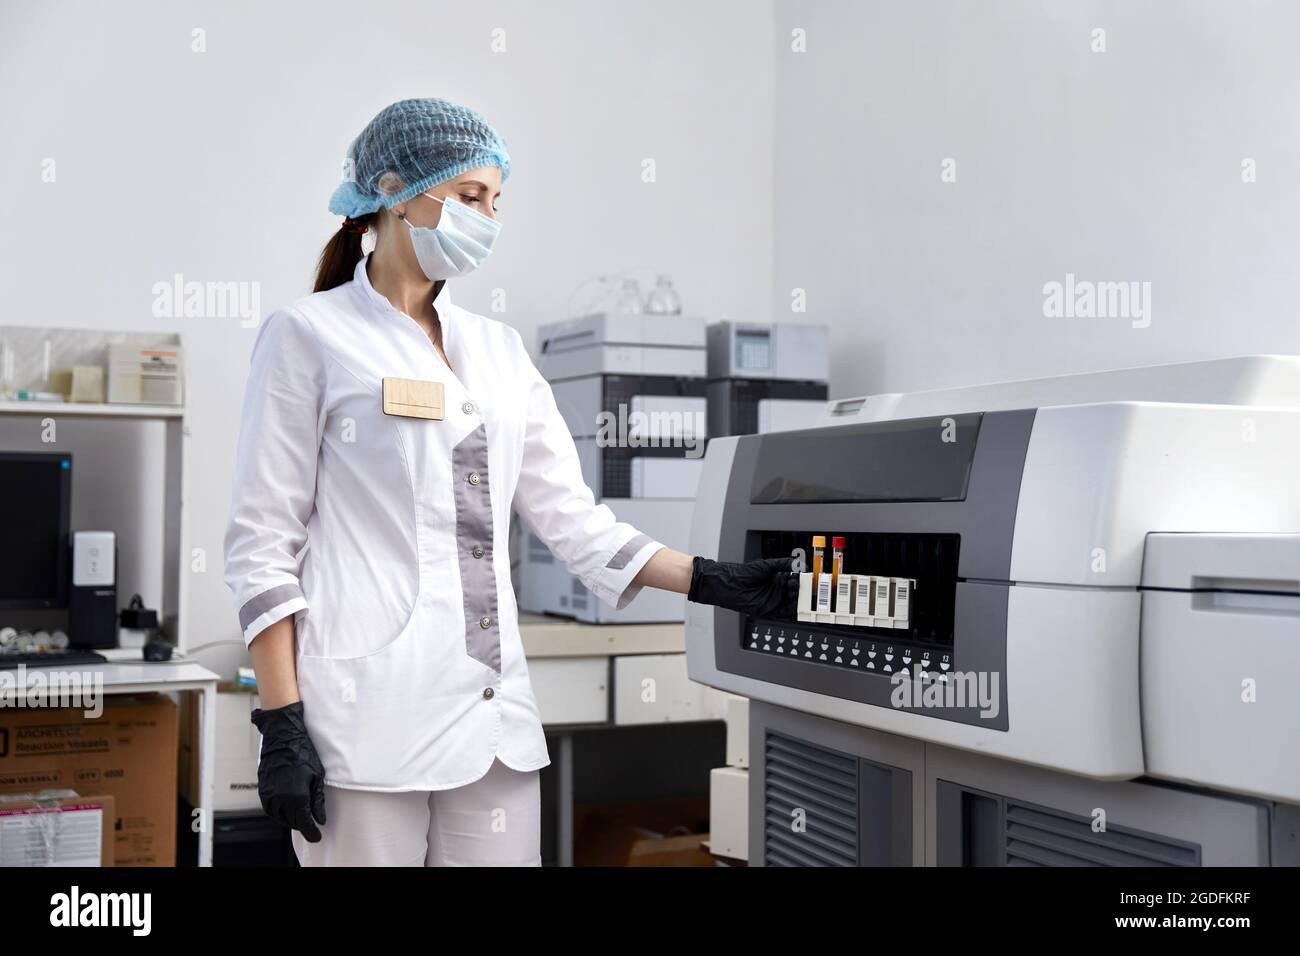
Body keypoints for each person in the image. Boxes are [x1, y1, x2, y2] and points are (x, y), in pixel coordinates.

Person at [223, 97, 796, 866]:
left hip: (491, 723)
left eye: (496, 201)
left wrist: (712, 580)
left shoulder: (498, 351)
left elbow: (574, 523)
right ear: (395, 188)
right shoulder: (310, 335)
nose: (487, 218)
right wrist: (282, 721)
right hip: (365, 722)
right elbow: (262, 546)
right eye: (469, 197)